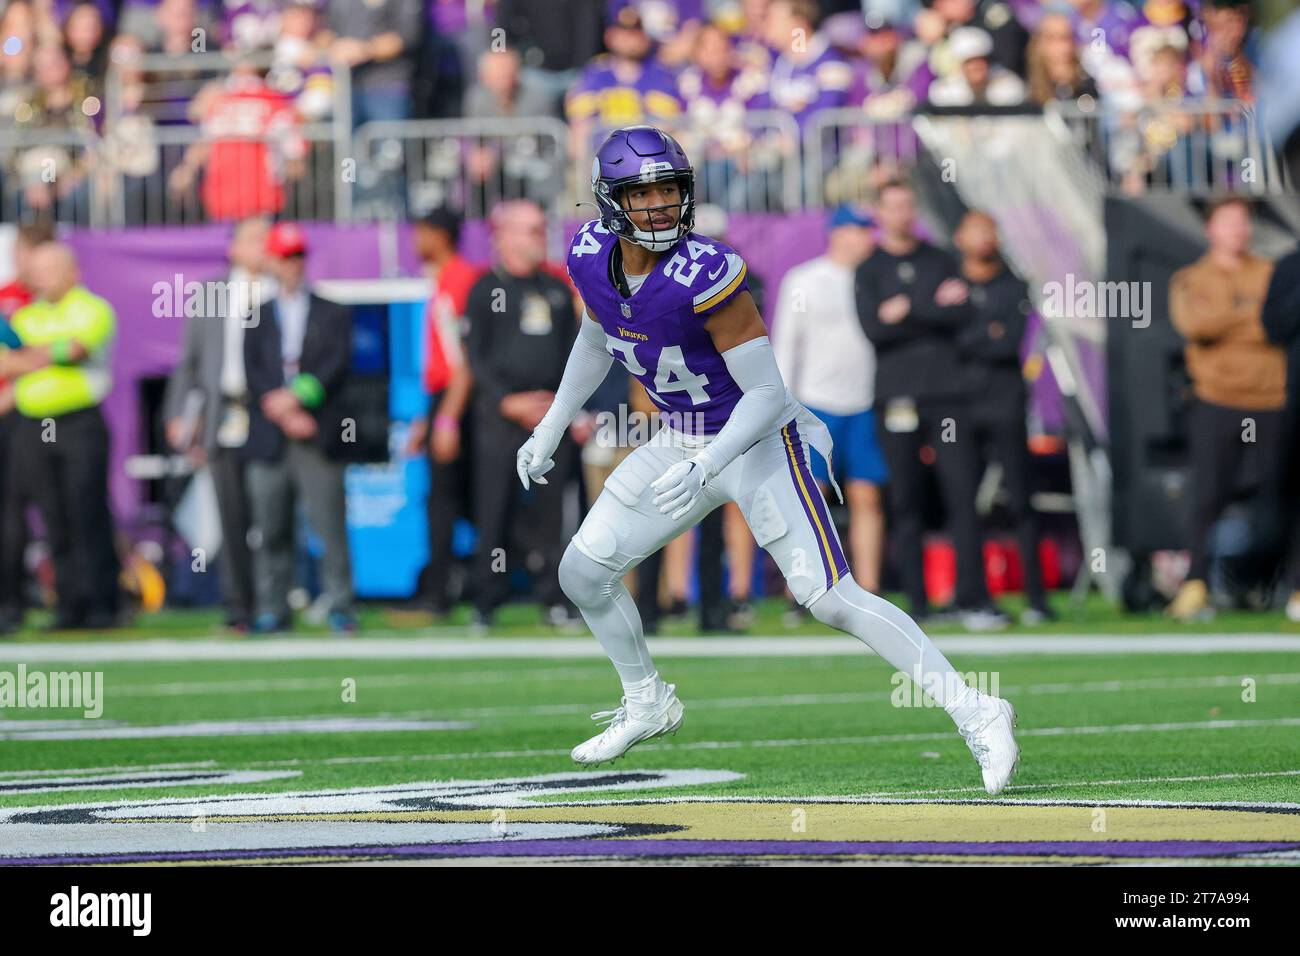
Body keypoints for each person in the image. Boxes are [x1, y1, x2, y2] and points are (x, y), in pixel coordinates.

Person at [516, 126, 1019, 795]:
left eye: (671, 189)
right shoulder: (587, 253)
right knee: (582, 571)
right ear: (611, 202)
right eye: (646, 193)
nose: (663, 205)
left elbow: (767, 392)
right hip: (682, 435)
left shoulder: (707, 272)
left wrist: (709, 463)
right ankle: (648, 701)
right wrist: (552, 425)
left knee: (830, 598)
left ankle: (978, 709)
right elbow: (597, 335)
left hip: (756, 440)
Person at [856, 179, 1005, 628]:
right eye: (892, 206)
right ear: (878, 213)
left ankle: (972, 598)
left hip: (947, 396)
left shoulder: (939, 258)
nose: (901, 213)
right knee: (906, 499)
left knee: (962, 494)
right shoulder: (869, 269)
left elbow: (961, 314)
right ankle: (916, 603)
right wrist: (930, 307)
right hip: (896, 396)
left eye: (907, 205)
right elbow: (876, 330)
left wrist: (906, 308)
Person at [463, 200, 582, 630]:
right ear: (505, 235)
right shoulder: (485, 289)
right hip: (500, 418)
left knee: (555, 514)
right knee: (494, 509)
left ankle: (555, 598)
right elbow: (474, 356)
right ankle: (486, 600)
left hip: (550, 416)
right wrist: (505, 401)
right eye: (529, 230)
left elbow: (576, 354)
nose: (538, 238)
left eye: (540, 229)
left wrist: (563, 405)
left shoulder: (555, 290)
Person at [1166, 198, 1284, 621]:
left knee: (1281, 496)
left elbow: (1281, 324)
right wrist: (1251, 315)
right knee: (1208, 497)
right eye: (1229, 221)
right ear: (1210, 228)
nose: (1238, 229)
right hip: (1217, 399)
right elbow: (1197, 326)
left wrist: (1232, 317)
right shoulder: (1191, 278)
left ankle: (1280, 587)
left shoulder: (1271, 273)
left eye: (1243, 222)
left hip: (1272, 400)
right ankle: (1195, 583)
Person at [243, 222, 356, 633]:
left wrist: (299, 399)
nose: (291, 265)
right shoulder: (256, 316)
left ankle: (340, 603)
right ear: (272, 261)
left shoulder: (332, 311)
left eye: (297, 257)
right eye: (284, 257)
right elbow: (255, 373)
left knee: (328, 524)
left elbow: (334, 365)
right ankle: (272, 606)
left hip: (316, 431)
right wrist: (282, 407)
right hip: (272, 434)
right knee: (270, 526)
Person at [163, 216, 274, 633]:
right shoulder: (213, 293)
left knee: (273, 512)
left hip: (269, 415)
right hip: (224, 414)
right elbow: (189, 361)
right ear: (235, 248)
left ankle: (276, 600)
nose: (262, 246)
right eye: (254, 239)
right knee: (231, 515)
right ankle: (239, 605)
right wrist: (179, 414)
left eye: (267, 238)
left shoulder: (280, 288)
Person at [5, 242, 121, 629]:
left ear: (72, 271)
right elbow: (8, 362)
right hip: (35, 423)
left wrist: (31, 356)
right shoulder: (27, 315)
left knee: (86, 510)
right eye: (37, 269)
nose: (41, 277)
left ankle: (104, 603)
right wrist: (42, 354)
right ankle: (69, 605)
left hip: (78, 423)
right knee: (52, 516)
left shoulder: (92, 308)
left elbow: (75, 349)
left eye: (49, 268)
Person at [773, 203, 887, 595]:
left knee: (866, 493)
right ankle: (802, 586)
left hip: (865, 402)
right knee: (810, 498)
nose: (868, 238)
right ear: (838, 233)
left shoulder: (876, 278)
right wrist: (783, 404)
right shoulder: (805, 280)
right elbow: (787, 344)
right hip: (814, 404)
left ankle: (868, 585)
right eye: (859, 230)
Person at [953, 210, 1054, 624]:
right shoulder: (947, 282)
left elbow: (1008, 341)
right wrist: (981, 334)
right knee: (963, 503)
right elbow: (948, 337)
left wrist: (971, 336)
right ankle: (973, 597)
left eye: (989, 231)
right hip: (958, 404)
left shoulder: (1013, 285)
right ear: (960, 237)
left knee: (1019, 498)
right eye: (975, 230)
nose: (983, 239)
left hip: (1006, 401)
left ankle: (1036, 598)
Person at [407, 209, 480, 617]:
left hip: (457, 400)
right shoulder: (445, 281)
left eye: (421, 231)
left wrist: (447, 418)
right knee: (453, 500)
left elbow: (463, 359)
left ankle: (437, 597)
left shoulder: (456, 280)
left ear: (439, 235)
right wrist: (428, 417)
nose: (414, 239)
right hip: (446, 399)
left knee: (444, 501)